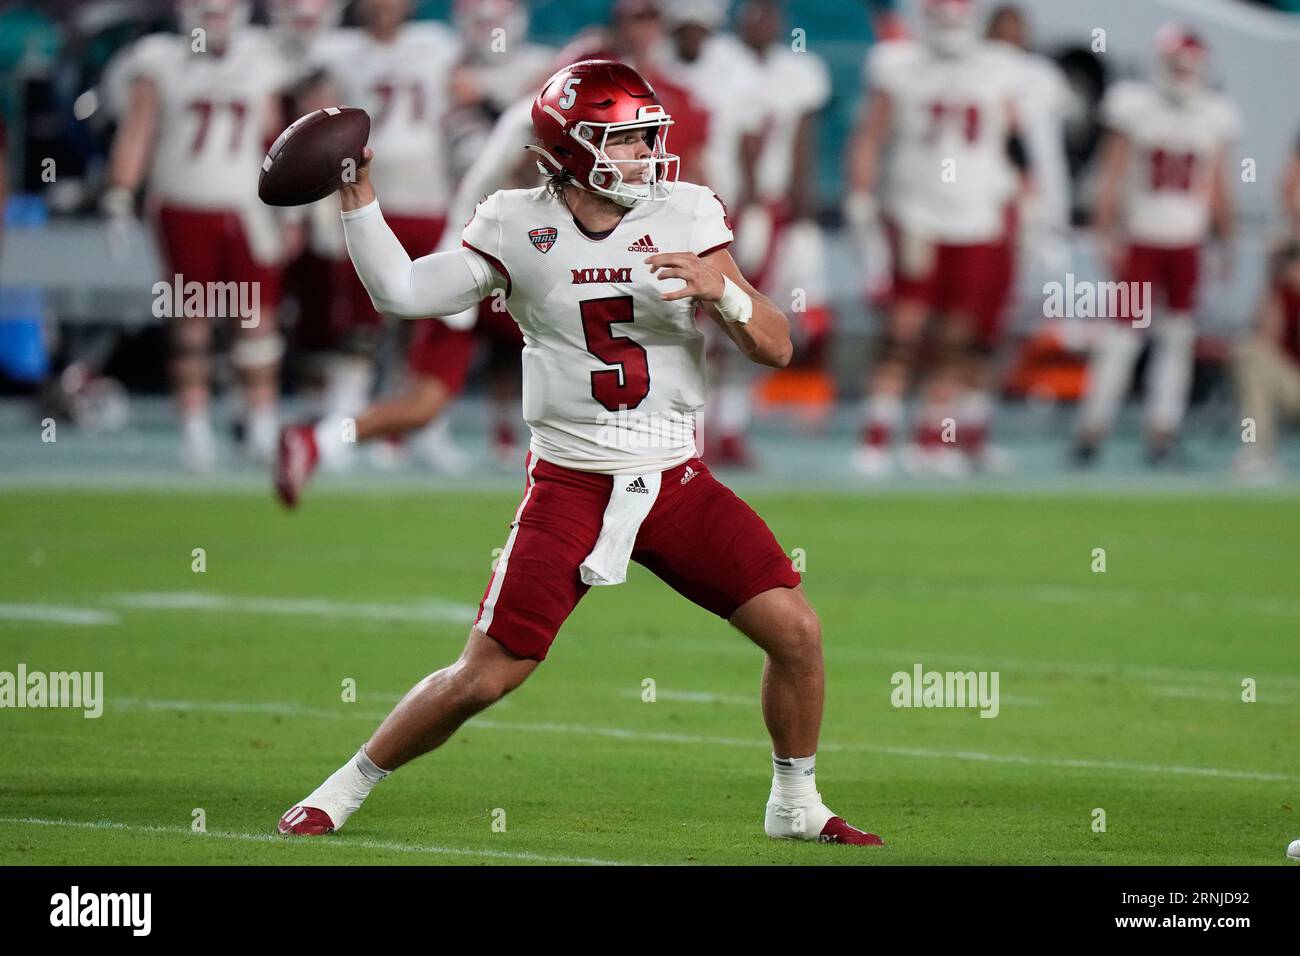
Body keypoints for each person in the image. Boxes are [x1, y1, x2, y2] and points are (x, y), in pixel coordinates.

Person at [277, 59, 882, 847]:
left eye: (645, 136)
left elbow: (775, 345)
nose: (645, 153)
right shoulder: (513, 223)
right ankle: (343, 787)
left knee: (796, 631)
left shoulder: (689, 213)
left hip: (675, 477)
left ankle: (795, 802)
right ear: (569, 149)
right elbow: (403, 293)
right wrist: (356, 195)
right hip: (572, 481)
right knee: (486, 676)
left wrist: (720, 289)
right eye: (624, 140)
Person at [103, 0, 292, 469]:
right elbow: (138, 130)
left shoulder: (262, 58)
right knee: (193, 319)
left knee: (257, 320)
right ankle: (195, 423)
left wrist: (293, 211)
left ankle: (261, 422)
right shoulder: (159, 61)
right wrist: (120, 195)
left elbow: (275, 139)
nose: (215, 21)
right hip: (182, 203)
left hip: (247, 207)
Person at [1072, 24, 1239, 467]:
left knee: (1177, 340)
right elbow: (1111, 174)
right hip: (1143, 238)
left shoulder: (1213, 114)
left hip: (1185, 241)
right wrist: (1105, 234)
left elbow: (1218, 187)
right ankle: (1093, 427)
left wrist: (1226, 245)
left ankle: (1162, 430)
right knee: (1123, 338)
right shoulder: (1136, 107)